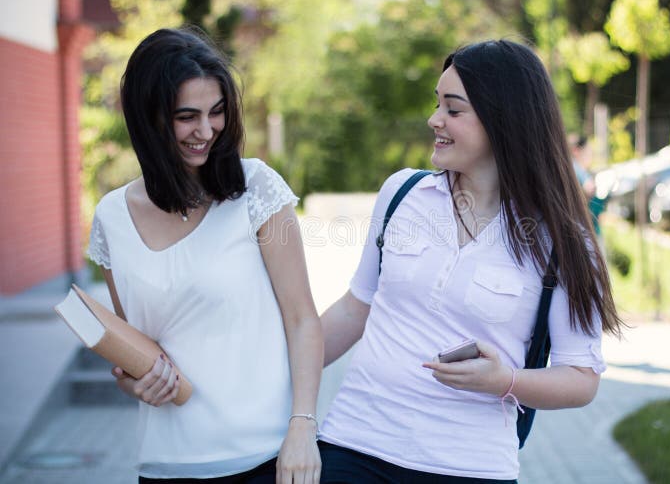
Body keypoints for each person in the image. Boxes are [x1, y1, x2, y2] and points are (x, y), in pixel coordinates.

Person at [317, 40, 623, 483]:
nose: (434, 120)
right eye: (436, 104)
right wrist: (273, 373)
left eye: (453, 110)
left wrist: (507, 381)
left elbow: (581, 378)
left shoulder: (563, 241)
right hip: (355, 446)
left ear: (503, 120)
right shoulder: (402, 195)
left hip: (469, 466)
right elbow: (352, 309)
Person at [86, 27, 322, 483]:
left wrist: (303, 427)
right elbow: (135, 350)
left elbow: (302, 319)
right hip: (164, 465)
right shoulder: (111, 218)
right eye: (186, 116)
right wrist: (134, 382)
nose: (206, 131)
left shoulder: (257, 190)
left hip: (266, 460)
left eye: (216, 113)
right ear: (148, 117)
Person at [569, 134, 606, 236]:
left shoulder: (576, 169)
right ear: (576, 151)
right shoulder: (576, 168)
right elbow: (589, 188)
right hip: (583, 228)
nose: (590, 157)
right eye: (588, 152)